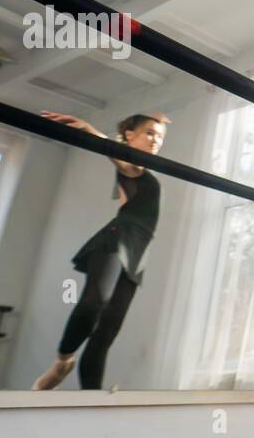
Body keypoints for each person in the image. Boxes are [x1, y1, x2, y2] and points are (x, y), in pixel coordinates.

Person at [32, 112, 169, 391]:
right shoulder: (131, 164)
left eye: (160, 137)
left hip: (138, 254)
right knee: (95, 302)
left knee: (106, 333)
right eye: (150, 133)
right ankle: (63, 360)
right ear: (130, 135)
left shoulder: (144, 168)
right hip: (117, 240)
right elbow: (114, 152)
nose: (156, 140)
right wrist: (89, 129)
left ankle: (91, 399)